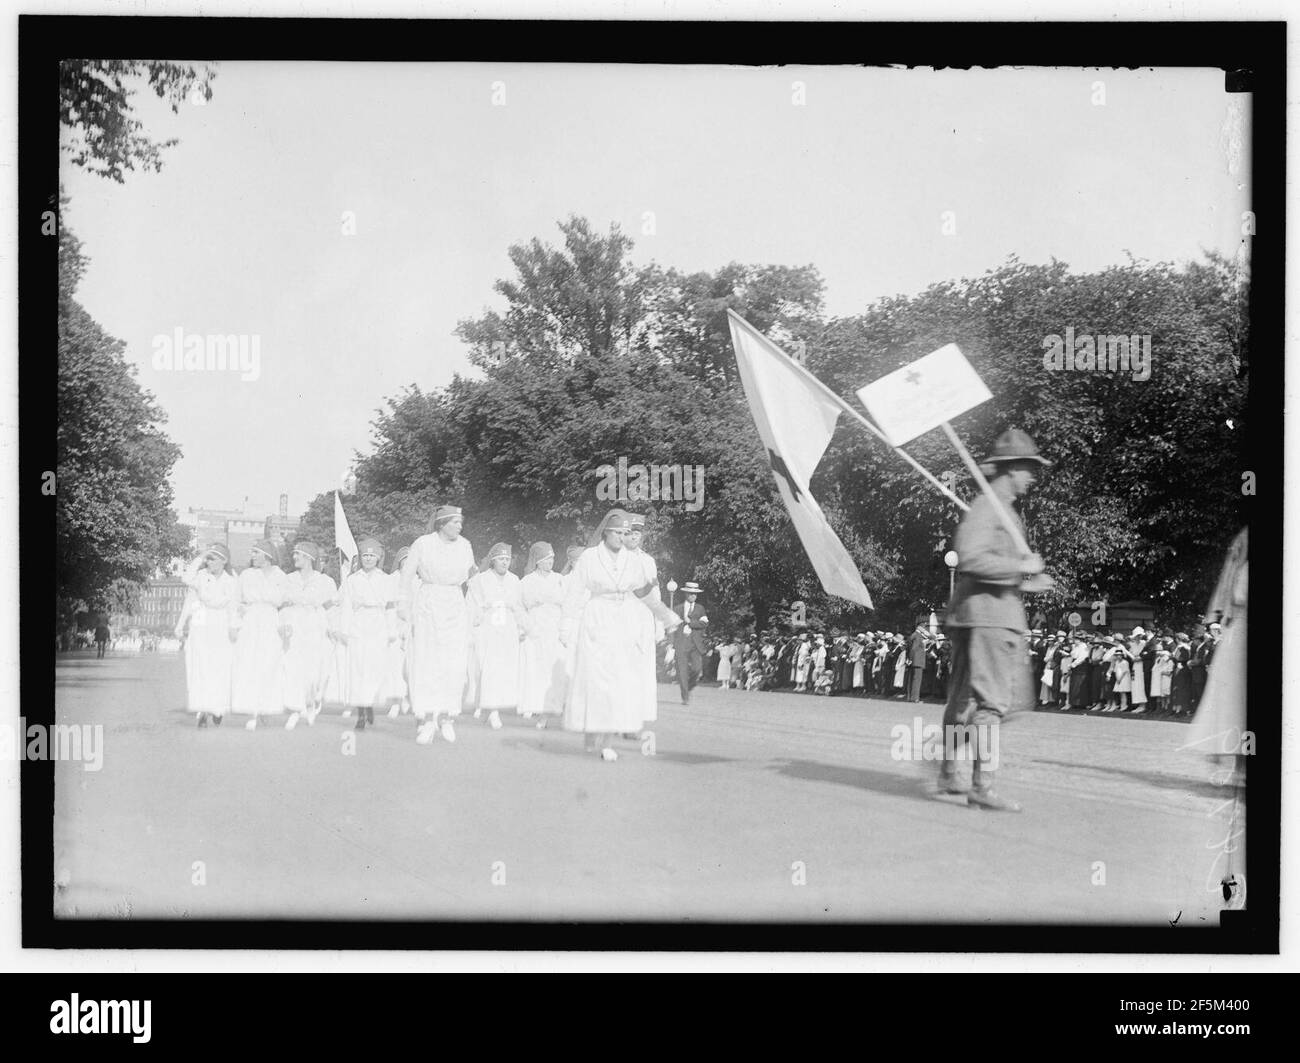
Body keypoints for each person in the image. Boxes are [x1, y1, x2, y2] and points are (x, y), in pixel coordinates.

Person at [938, 429, 1052, 811]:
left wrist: (1024, 580)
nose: (1033, 477)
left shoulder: (996, 507)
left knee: (964, 700)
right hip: (990, 619)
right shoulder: (990, 506)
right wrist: (1021, 568)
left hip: (979, 614)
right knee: (993, 704)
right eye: (1029, 468)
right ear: (1013, 468)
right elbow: (970, 556)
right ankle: (981, 786)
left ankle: (952, 773)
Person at [561, 510, 671, 761]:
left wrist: (664, 616)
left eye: (625, 534)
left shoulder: (632, 561)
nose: (622, 538)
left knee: (617, 682)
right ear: (606, 533)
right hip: (596, 620)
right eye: (618, 533)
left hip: (623, 622)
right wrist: (566, 625)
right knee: (595, 681)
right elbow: (575, 593)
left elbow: (645, 591)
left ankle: (607, 741)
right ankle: (592, 729)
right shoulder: (589, 558)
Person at [403, 505, 476, 744]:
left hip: (455, 605)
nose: (459, 526)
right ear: (442, 523)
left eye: (460, 522)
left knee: (453, 663)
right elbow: (406, 578)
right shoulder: (423, 543)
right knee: (427, 661)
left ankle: (447, 717)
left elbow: (471, 579)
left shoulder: (465, 546)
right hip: (428, 605)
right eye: (455, 522)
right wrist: (405, 612)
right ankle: (427, 720)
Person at [178, 542, 238, 727]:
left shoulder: (231, 580)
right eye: (208, 558)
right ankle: (203, 709)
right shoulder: (202, 576)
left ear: (223, 561)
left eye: (212, 558)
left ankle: (217, 707)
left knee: (219, 668)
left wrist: (234, 627)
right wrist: (200, 557)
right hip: (202, 626)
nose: (209, 562)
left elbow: (233, 606)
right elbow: (186, 578)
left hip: (221, 626)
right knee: (201, 666)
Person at [231, 540, 289, 730]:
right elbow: (236, 600)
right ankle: (253, 711)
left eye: (256, 552)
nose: (253, 556)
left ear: (267, 556)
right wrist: (237, 622)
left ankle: (266, 707)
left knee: (269, 664)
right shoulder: (246, 575)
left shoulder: (281, 576)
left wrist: (284, 626)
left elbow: (285, 604)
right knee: (250, 663)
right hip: (251, 622)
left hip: (271, 622)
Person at [467, 542, 526, 729]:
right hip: (487, 627)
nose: (505, 563)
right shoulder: (480, 580)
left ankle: (494, 709)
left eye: (507, 559)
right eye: (501, 559)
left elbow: (518, 606)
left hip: (507, 627)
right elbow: (472, 604)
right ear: (493, 561)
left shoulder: (514, 580)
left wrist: (522, 627)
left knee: (503, 669)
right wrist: (472, 625)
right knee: (486, 667)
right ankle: (488, 708)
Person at [281, 541, 338, 729]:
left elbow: (330, 607)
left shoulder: (325, 581)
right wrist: (283, 624)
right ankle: (295, 710)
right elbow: (283, 605)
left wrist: (333, 627)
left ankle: (312, 702)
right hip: (294, 627)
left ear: (309, 558)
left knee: (314, 672)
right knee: (293, 668)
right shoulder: (288, 579)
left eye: (298, 554)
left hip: (316, 626)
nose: (294, 557)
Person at [340, 537, 396, 731]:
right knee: (357, 669)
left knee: (374, 667)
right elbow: (347, 606)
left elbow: (390, 606)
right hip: (359, 623)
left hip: (378, 624)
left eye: (372, 556)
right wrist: (345, 630)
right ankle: (361, 713)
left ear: (378, 558)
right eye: (365, 555)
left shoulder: (386, 579)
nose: (368, 559)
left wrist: (391, 630)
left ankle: (369, 703)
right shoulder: (353, 580)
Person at [519, 542, 568, 728]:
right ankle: (538, 711)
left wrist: (565, 628)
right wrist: (524, 629)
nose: (550, 562)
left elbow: (567, 605)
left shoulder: (559, 579)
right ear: (537, 561)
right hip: (536, 627)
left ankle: (554, 710)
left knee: (555, 669)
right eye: (546, 559)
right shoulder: (527, 581)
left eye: (552, 558)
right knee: (536, 669)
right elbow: (520, 607)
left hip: (554, 626)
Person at [670, 582, 708, 705]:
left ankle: (689, 687)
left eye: (695, 594)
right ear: (686, 593)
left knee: (697, 669)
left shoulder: (700, 608)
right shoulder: (677, 609)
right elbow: (671, 627)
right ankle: (685, 696)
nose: (693, 596)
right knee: (682, 671)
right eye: (691, 593)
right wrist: (671, 643)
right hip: (681, 643)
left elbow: (704, 624)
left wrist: (690, 622)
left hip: (695, 644)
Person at [906, 623, 929, 702]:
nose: (925, 629)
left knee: (912, 679)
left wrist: (909, 658)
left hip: (914, 660)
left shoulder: (913, 635)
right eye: (924, 628)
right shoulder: (918, 636)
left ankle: (910, 697)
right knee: (917, 680)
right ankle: (915, 698)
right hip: (917, 660)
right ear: (920, 628)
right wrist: (911, 658)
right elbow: (914, 648)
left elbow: (910, 648)